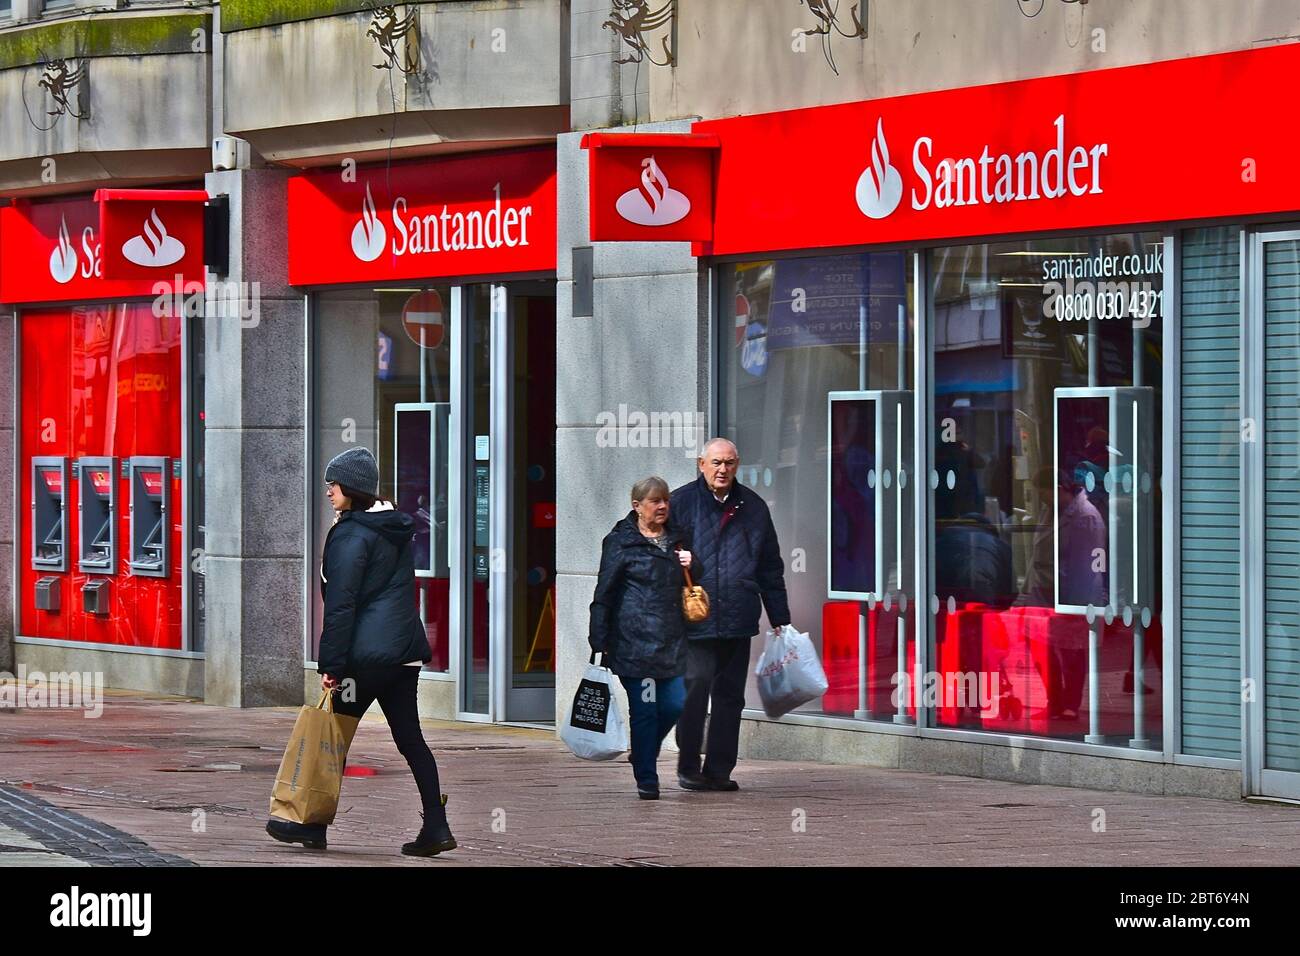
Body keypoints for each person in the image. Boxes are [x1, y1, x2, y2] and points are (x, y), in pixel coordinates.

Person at [265, 447, 456, 856]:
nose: (329, 490)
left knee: (329, 738)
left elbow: (342, 603)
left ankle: (311, 824)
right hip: (402, 655)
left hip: (365, 659)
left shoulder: (351, 534)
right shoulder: (392, 528)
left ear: (351, 488)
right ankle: (436, 826)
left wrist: (331, 664)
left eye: (333, 484)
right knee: (411, 740)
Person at [670, 438, 790, 792]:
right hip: (696, 617)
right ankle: (688, 766)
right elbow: (657, 551)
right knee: (694, 690)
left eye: (730, 463)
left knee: (730, 696)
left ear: (738, 465)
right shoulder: (681, 502)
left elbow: (770, 565)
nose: (723, 470)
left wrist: (779, 615)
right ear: (701, 464)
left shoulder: (752, 507)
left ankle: (720, 769)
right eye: (716, 463)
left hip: (738, 615)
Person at [588, 477, 694, 800]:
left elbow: (693, 580)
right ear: (637, 506)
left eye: (665, 500)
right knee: (645, 711)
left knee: (676, 703)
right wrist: (598, 639)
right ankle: (647, 778)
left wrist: (694, 563)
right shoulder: (620, 542)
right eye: (654, 501)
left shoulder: (677, 539)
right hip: (633, 644)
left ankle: (643, 749)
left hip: (672, 641)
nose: (662, 506)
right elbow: (604, 593)